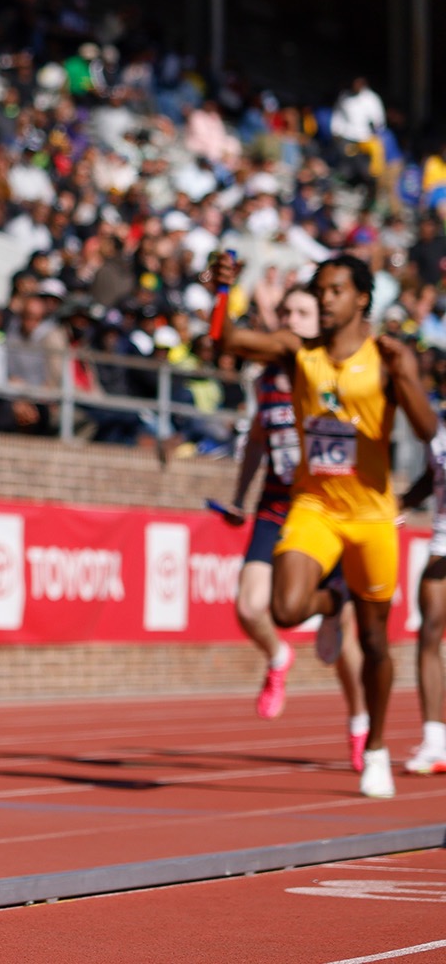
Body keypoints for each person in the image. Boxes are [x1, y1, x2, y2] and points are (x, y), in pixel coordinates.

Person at [207, 253, 438, 799]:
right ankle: (335, 605)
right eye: (320, 290)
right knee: (285, 608)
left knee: (378, 643)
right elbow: (228, 345)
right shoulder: (298, 351)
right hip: (315, 507)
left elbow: (429, 430)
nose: (326, 299)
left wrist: (405, 374)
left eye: (335, 291)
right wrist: (222, 294)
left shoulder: (384, 357)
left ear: (362, 298)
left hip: (372, 516)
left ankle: (377, 748)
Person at [219, 284, 365, 765]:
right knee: (248, 604)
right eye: (285, 311)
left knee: (340, 647)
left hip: (327, 507)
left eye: (302, 311)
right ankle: (278, 657)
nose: (292, 318)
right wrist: (239, 496)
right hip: (278, 502)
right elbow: (259, 440)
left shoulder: (330, 373)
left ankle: (360, 719)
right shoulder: (265, 380)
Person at [398, 431, 446, 776]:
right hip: (442, 544)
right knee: (429, 632)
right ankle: (435, 741)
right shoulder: (437, 428)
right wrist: (399, 503)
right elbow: (432, 476)